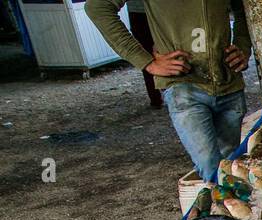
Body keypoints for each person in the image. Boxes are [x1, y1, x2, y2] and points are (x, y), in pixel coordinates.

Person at [86, 0, 252, 184]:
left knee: (234, 165)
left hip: (229, 83)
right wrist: (147, 62)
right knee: (211, 167)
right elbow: (98, 7)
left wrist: (243, 46)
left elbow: (246, 7)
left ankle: (232, 209)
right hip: (184, 86)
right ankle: (221, 210)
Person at [125, 0, 162, 109]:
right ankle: (158, 97)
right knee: (151, 57)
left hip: (144, 12)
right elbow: (98, 8)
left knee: (150, 56)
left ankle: (157, 98)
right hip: (146, 12)